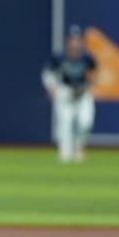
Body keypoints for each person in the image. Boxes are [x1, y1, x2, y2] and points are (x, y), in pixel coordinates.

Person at [41, 26, 96, 164]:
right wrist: (51, 87)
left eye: (77, 40)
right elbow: (47, 73)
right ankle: (65, 153)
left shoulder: (87, 58)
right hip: (65, 92)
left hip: (82, 93)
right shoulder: (59, 58)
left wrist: (89, 85)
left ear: (81, 42)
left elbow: (95, 73)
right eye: (72, 40)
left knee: (85, 122)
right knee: (64, 122)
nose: (75, 43)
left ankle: (78, 148)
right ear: (67, 42)